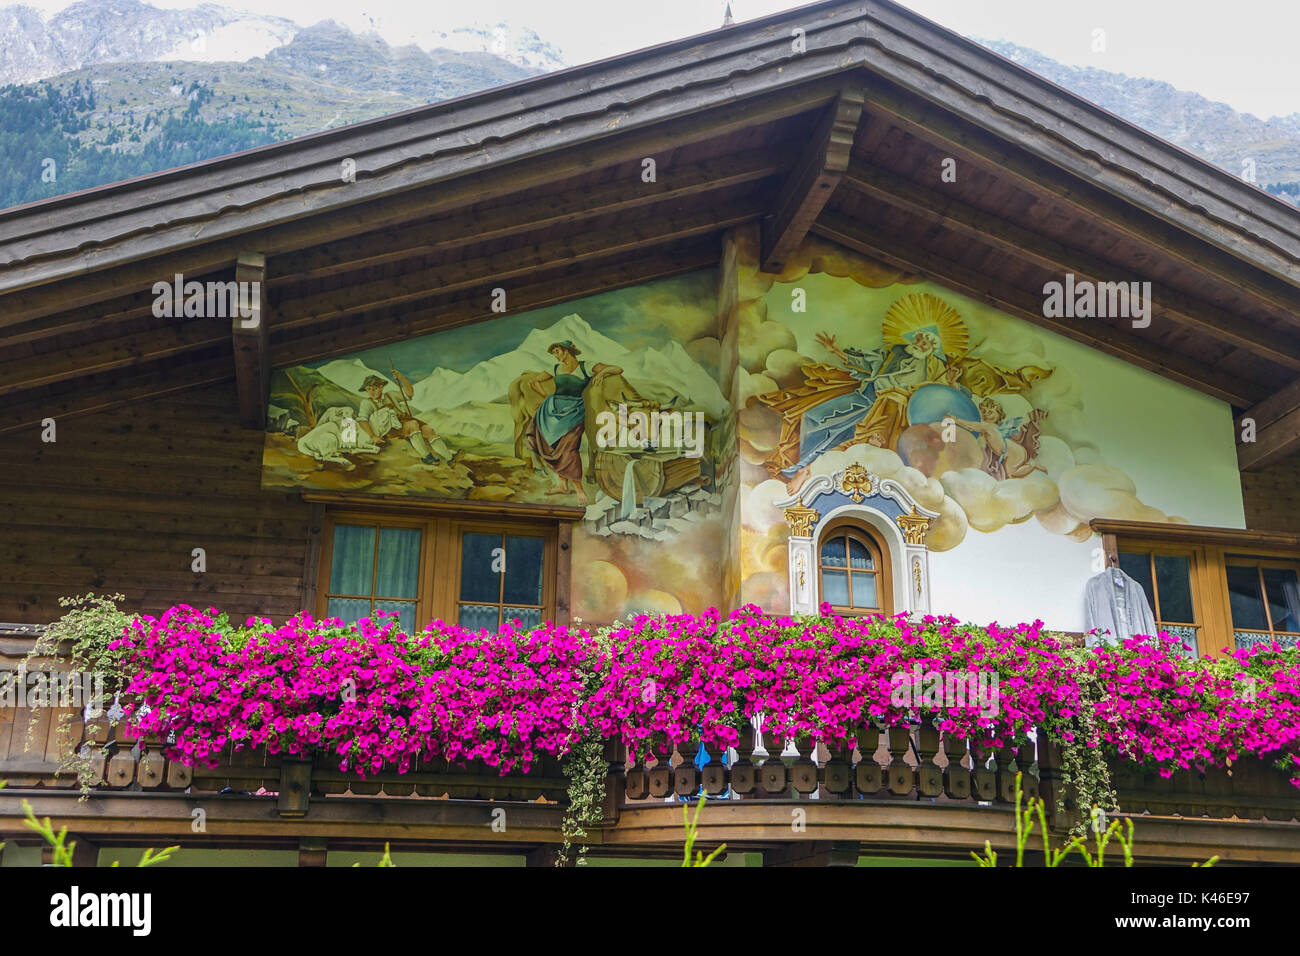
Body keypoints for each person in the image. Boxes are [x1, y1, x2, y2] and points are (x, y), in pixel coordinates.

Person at [525, 341, 620, 505]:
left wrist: (601, 374)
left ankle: (578, 489)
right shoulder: (555, 368)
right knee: (554, 445)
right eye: (553, 352)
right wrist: (547, 397)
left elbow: (617, 369)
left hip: (574, 411)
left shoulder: (586, 366)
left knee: (569, 448)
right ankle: (563, 485)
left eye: (557, 351)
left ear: (567, 351)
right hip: (553, 411)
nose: (556, 355)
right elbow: (533, 381)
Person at [357, 372, 452, 465]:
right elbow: (362, 420)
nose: (371, 392)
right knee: (412, 425)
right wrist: (373, 436)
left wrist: (401, 377)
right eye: (369, 389)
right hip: (389, 428)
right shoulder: (367, 403)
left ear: (381, 387)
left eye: (375, 388)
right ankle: (426, 456)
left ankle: (450, 458)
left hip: (404, 420)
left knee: (429, 430)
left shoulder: (390, 395)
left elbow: (410, 393)